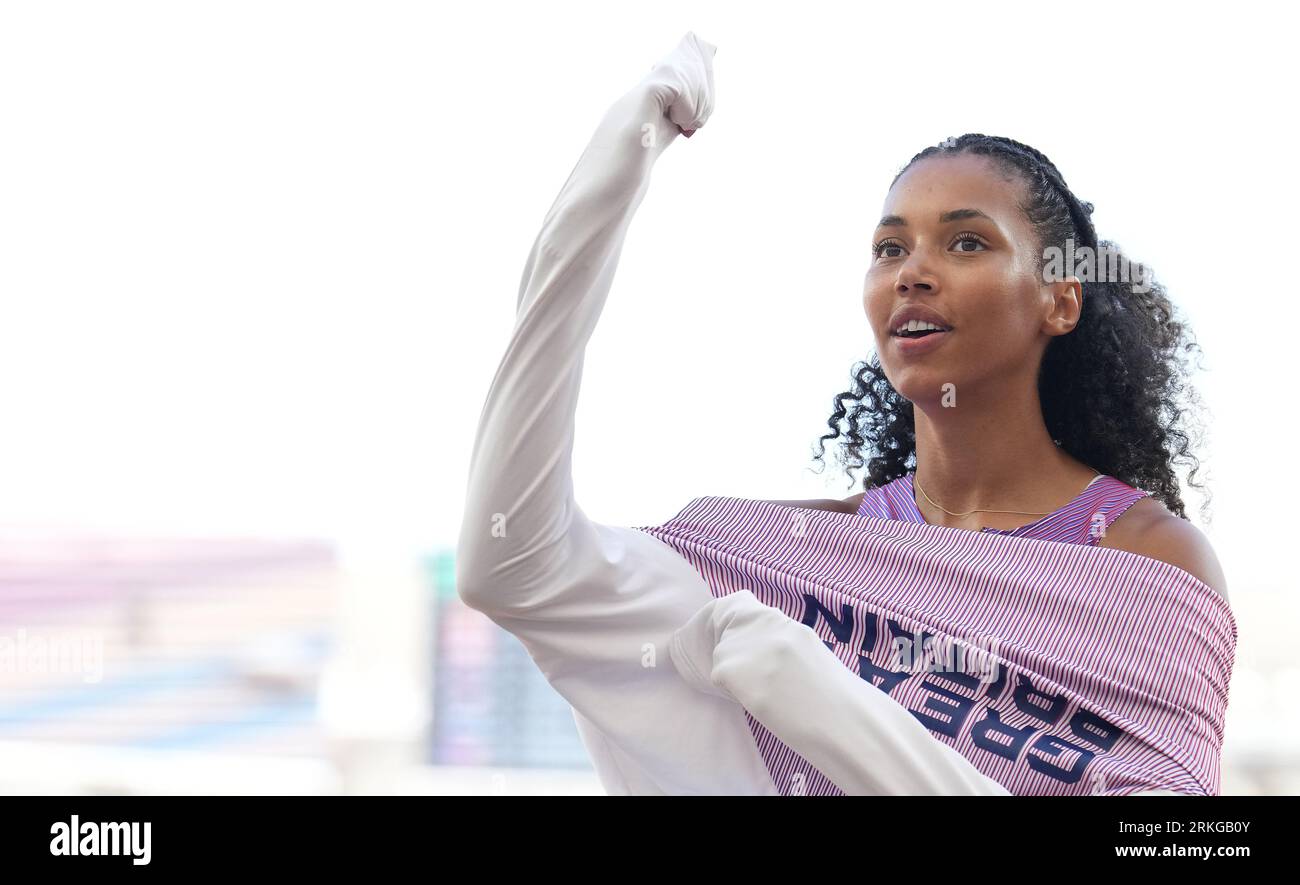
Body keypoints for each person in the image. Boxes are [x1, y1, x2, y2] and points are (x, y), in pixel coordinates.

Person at [454, 32, 1229, 795]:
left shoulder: (1149, 561)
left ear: (1060, 297)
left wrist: (817, 698)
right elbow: (515, 567)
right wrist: (626, 156)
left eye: (965, 242)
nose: (912, 273)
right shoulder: (786, 562)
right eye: (890, 249)